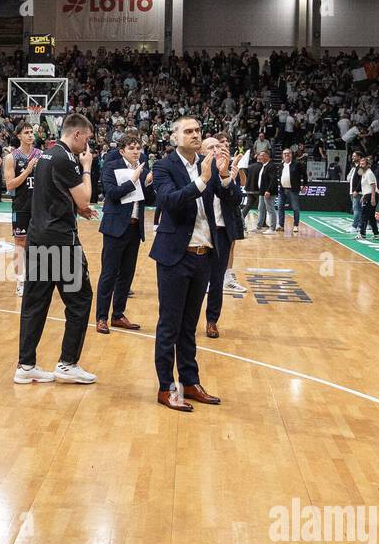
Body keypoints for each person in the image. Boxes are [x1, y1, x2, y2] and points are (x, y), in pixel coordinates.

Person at [150, 116, 230, 412]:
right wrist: (203, 180)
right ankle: (165, 387)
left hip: (203, 255)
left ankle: (190, 381)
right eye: (188, 131)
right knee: (169, 326)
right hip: (174, 256)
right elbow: (169, 201)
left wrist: (224, 177)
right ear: (175, 137)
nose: (195, 134)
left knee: (189, 326)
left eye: (198, 130)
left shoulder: (206, 164)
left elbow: (229, 200)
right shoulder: (163, 166)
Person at [15, 113, 97, 385]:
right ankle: (67, 364)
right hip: (61, 242)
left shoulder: (48, 155)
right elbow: (84, 196)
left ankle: (26, 366)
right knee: (80, 300)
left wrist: (76, 208)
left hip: (38, 237)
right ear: (76, 134)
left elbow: (56, 195)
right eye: (86, 139)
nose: (87, 146)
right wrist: (87, 167)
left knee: (34, 304)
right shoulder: (66, 158)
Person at [96, 129, 151, 334]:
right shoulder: (111, 167)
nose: (136, 152)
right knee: (109, 274)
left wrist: (149, 183)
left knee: (126, 275)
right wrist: (133, 180)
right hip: (114, 228)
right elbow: (112, 194)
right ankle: (101, 317)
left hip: (135, 228)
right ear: (122, 151)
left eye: (138, 148)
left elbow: (150, 200)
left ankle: (118, 315)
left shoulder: (143, 170)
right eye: (132, 148)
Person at [202, 134, 245, 339]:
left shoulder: (225, 171)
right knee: (195, 281)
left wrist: (227, 174)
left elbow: (237, 198)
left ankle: (212, 321)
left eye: (217, 147)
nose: (215, 150)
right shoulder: (198, 172)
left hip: (221, 231)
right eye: (210, 147)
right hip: (201, 231)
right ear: (202, 152)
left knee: (217, 281)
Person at [2, 122, 41, 297]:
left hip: (39, 206)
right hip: (21, 206)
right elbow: (10, 185)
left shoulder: (41, 155)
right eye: (26, 132)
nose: (30, 135)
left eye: (32, 132)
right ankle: (20, 281)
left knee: (39, 244)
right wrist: (28, 170)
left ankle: (37, 280)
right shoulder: (12, 157)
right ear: (19, 136)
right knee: (20, 244)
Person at [274, 146, 306, 231]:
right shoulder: (281, 165)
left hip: (293, 190)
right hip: (282, 190)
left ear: (291, 155)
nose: (286, 155)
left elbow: (304, 174)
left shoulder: (297, 164)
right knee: (280, 206)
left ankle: (295, 225)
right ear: (282, 156)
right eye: (285, 154)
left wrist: (304, 185)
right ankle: (281, 225)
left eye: (288, 153)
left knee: (295, 208)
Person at [354, 155, 379, 240]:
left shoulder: (369, 173)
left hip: (371, 195)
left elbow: (373, 186)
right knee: (371, 216)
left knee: (364, 215)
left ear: (368, 165)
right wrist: (364, 196)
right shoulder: (364, 173)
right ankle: (376, 233)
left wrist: (372, 198)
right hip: (367, 195)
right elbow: (366, 187)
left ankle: (362, 234)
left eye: (363, 163)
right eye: (360, 163)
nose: (361, 165)